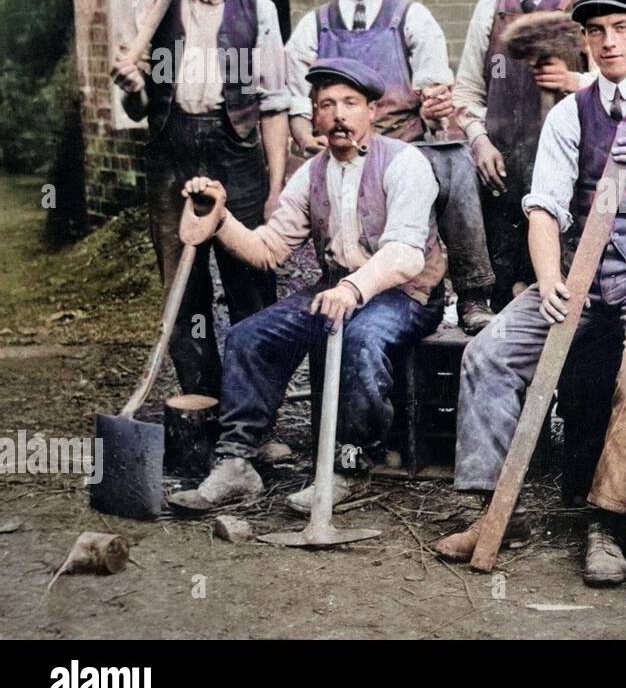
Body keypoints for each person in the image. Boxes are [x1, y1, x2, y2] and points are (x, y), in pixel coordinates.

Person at [434, 0, 626, 585]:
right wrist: (549, 280)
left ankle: (606, 524)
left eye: (621, 29)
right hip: (581, 271)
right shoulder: (571, 113)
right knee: (488, 352)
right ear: (585, 40)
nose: (609, 42)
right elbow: (544, 208)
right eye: (596, 32)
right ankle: (495, 510)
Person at [165, 57, 445, 513]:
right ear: (314, 116)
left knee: (358, 337)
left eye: (350, 103)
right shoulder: (311, 173)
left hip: (406, 294)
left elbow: (406, 255)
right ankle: (237, 462)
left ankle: (349, 467)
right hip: (334, 289)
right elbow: (269, 249)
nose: (339, 115)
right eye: (327, 105)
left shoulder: (404, 163)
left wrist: (353, 290)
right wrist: (219, 217)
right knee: (249, 336)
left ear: (372, 111)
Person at [285, 0, 495, 333]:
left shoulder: (411, 17)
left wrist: (434, 108)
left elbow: (435, 90)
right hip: (342, 151)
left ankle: (473, 293)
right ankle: (341, 283)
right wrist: (308, 136)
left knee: (456, 162)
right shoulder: (314, 25)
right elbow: (295, 102)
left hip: (404, 147)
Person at [112, 0, 289, 400]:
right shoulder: (149, 7)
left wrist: (275, 187)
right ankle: (201, 406)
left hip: (238, 155)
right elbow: (138, 109)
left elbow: (275, 102)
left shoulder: (257, 8)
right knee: (182, 293)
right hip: (172, 157)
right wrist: (132, 88)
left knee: (250, 286)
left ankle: (252, 409)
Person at [452, 0, 585, 310]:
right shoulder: (491, 8)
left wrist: (575, 80)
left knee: (561, 285)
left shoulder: (581, 2)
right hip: (502, 171)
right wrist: (479, 140)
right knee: (503, 288)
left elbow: (617, 80)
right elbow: (466, 90)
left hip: (569, 168)